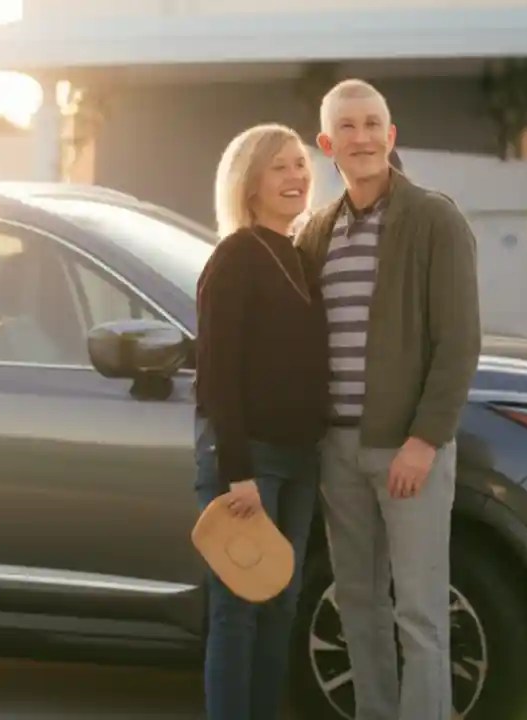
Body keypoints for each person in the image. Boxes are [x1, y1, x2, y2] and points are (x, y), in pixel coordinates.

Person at [296, 79, 482, 720]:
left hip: (408, 451)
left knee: (421, 612)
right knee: (359, 607)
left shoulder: (435, 218)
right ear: (328, 144)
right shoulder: (315, 233)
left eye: (374, 123)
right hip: (338, 451)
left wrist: (425, 441)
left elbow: (458, 342)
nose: (363, 136)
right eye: (347, 126)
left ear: (391, 135)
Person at [193, 123, 330, 720]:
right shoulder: (234, 257)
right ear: (249, 183)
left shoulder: (300, 257)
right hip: (249, 462)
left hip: (301, 458)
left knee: (283, 604)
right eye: (279, 167)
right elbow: (216, 375)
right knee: (237, 608)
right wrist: (236, 473)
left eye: (300, 164)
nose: (296, 177)